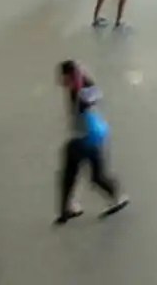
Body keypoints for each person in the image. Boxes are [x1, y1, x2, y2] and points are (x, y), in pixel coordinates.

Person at [55, 60, 129, 224]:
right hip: (89, 137)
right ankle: (69, 207)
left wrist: (81, 83)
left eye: (63, 77)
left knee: (85, 174)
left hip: (88, 139)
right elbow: (95, 94)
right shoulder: (80, 86)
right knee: (82, 173)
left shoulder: (80, 90)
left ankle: (115, 195)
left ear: (68, 75)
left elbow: (90, 98)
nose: (61, 81)